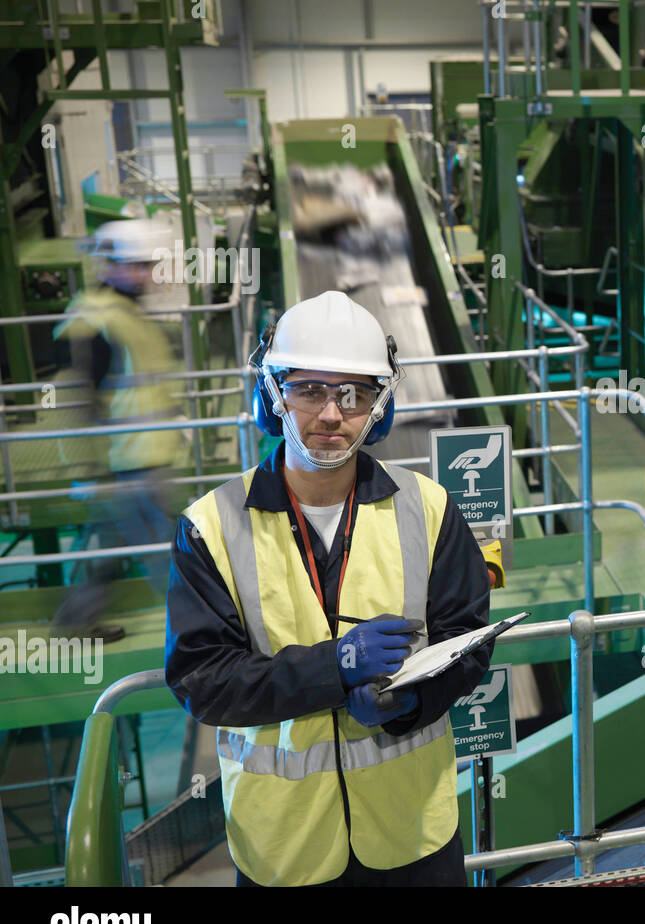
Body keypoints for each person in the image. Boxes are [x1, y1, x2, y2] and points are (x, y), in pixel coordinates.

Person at [164, 290, 492, 887]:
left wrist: (412, 703)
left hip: (412, 838)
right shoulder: (210, 527)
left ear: (380, 406)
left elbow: (468, 644)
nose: (332, 415)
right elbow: (202, 681)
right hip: (285, 850)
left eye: (354, 393)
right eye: (310, 389)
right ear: (272, 394)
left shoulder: (431, 509)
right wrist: (333, 667)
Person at [50, 219, 183, 642]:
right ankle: (201, 636)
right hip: (131, 461)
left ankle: (72, 625)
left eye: (146, 265)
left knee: (113, 550)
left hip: (141, 455)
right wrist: (88, 465)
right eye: (135, 265)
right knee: (164, 550)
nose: (144, 275)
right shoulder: (98, 322)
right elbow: (82, 400)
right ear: (108, 266)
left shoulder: (124, 315)